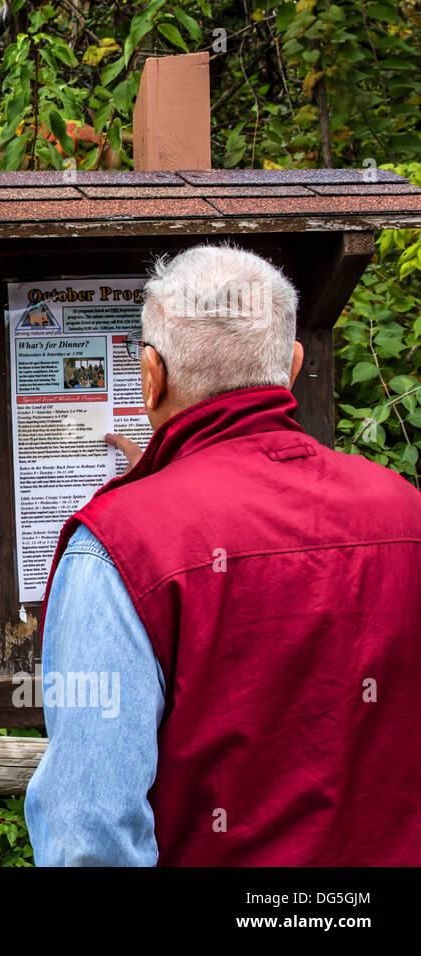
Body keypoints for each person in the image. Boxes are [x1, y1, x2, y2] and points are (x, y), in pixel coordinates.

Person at [23, 242, 421, 866]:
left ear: (150, 374)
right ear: (290, 365)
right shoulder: (405, 512)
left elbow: (88, 830)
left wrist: (150, 509)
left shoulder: (119, 548)